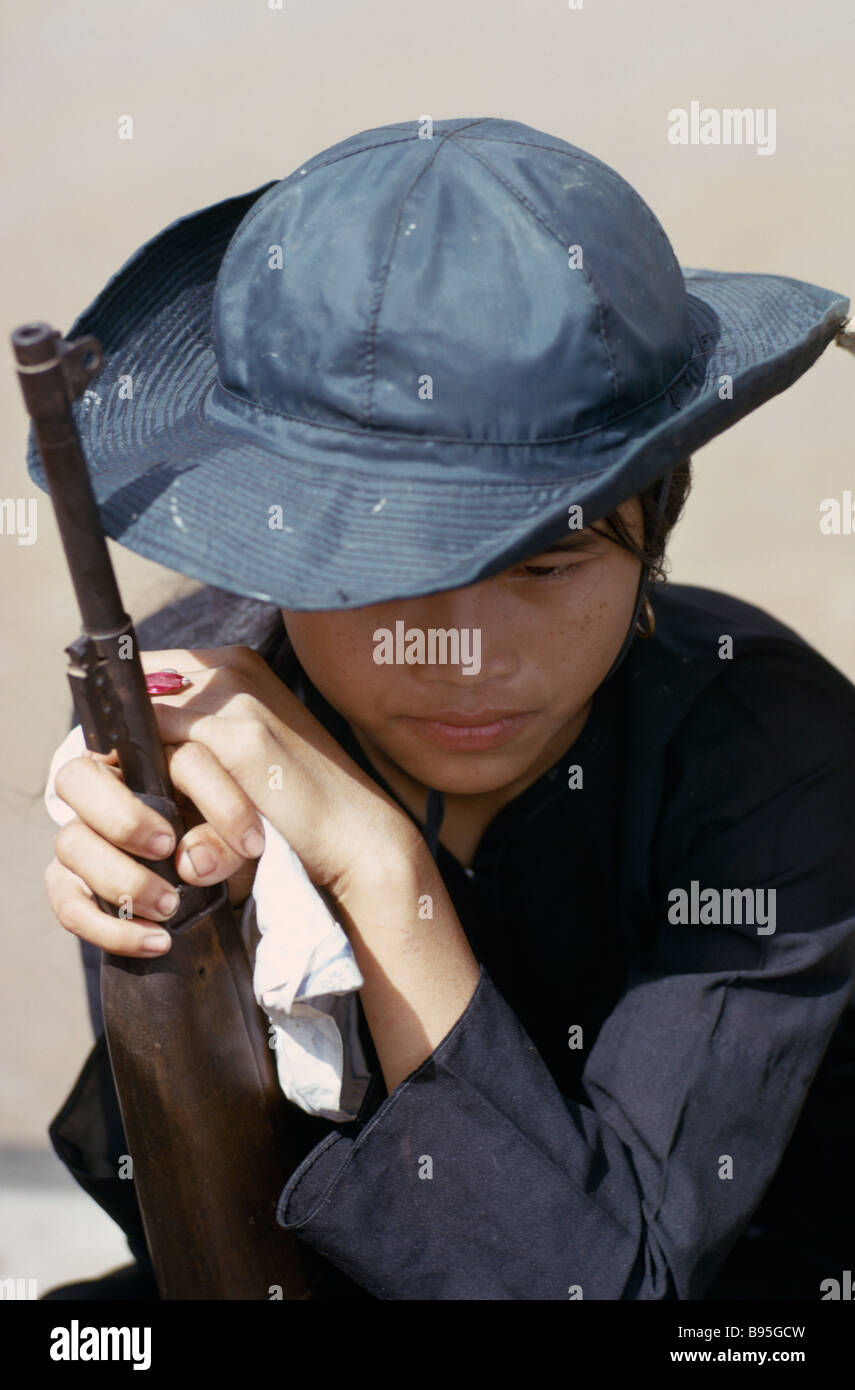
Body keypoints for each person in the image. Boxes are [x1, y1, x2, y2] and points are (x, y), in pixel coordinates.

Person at [31, 117, 855, 1301]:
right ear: (279, 545)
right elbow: (201, 1236)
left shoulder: (781, 750)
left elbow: (611, 1286)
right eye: (387, 573)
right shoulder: (186, 713)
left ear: (655, 523)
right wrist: (156, 927)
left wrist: (379, 870)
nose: (461, 653)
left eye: (545, 567)